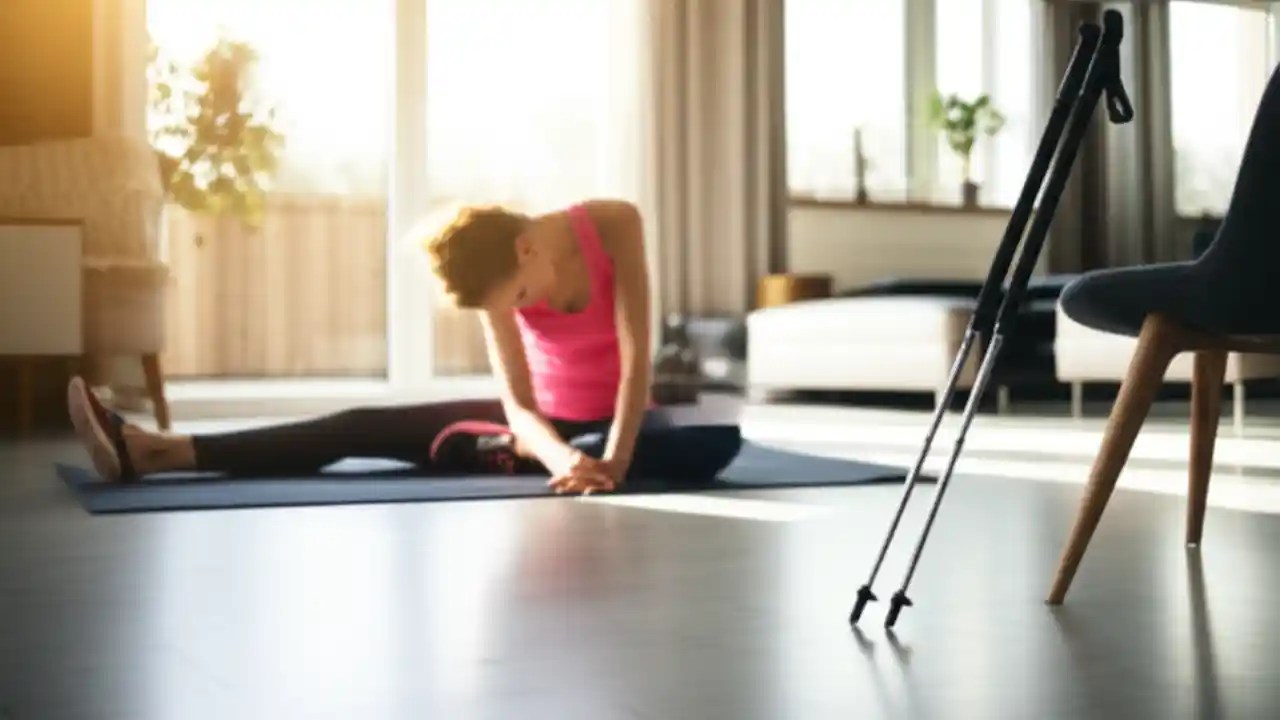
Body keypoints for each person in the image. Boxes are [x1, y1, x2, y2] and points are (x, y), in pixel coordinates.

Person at [67, 200, 741, 495]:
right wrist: (565, 457)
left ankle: (527, 455)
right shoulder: (495, 286)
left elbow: (634, 354)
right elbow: (518, 402)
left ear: (528, 248)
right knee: (366, 426)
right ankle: (158, 450)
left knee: (717, 436)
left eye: (516, 297)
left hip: (622, 421)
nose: (518, 313)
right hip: (546, 433)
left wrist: (614, 460)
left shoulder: (614, 224)